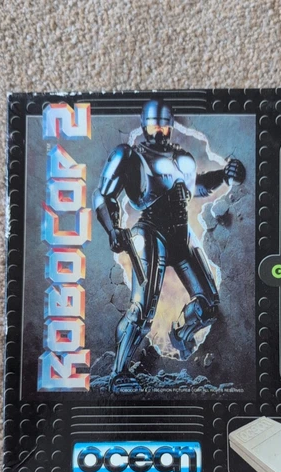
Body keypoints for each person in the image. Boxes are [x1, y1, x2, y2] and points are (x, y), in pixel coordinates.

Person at [93, 99, 245, 393]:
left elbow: (195, 187)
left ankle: (181, 334)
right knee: (142, 309)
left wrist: (224, 176)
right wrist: (113, 230)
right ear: (144, 126)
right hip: (151, 231)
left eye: (164, 126)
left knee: (208, 306)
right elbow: (103, 195)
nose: (159, 132)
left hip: (181, 234)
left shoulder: (182, 157)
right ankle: (119, 372)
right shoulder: (130, 156)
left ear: (170, 126)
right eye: (154, 126)